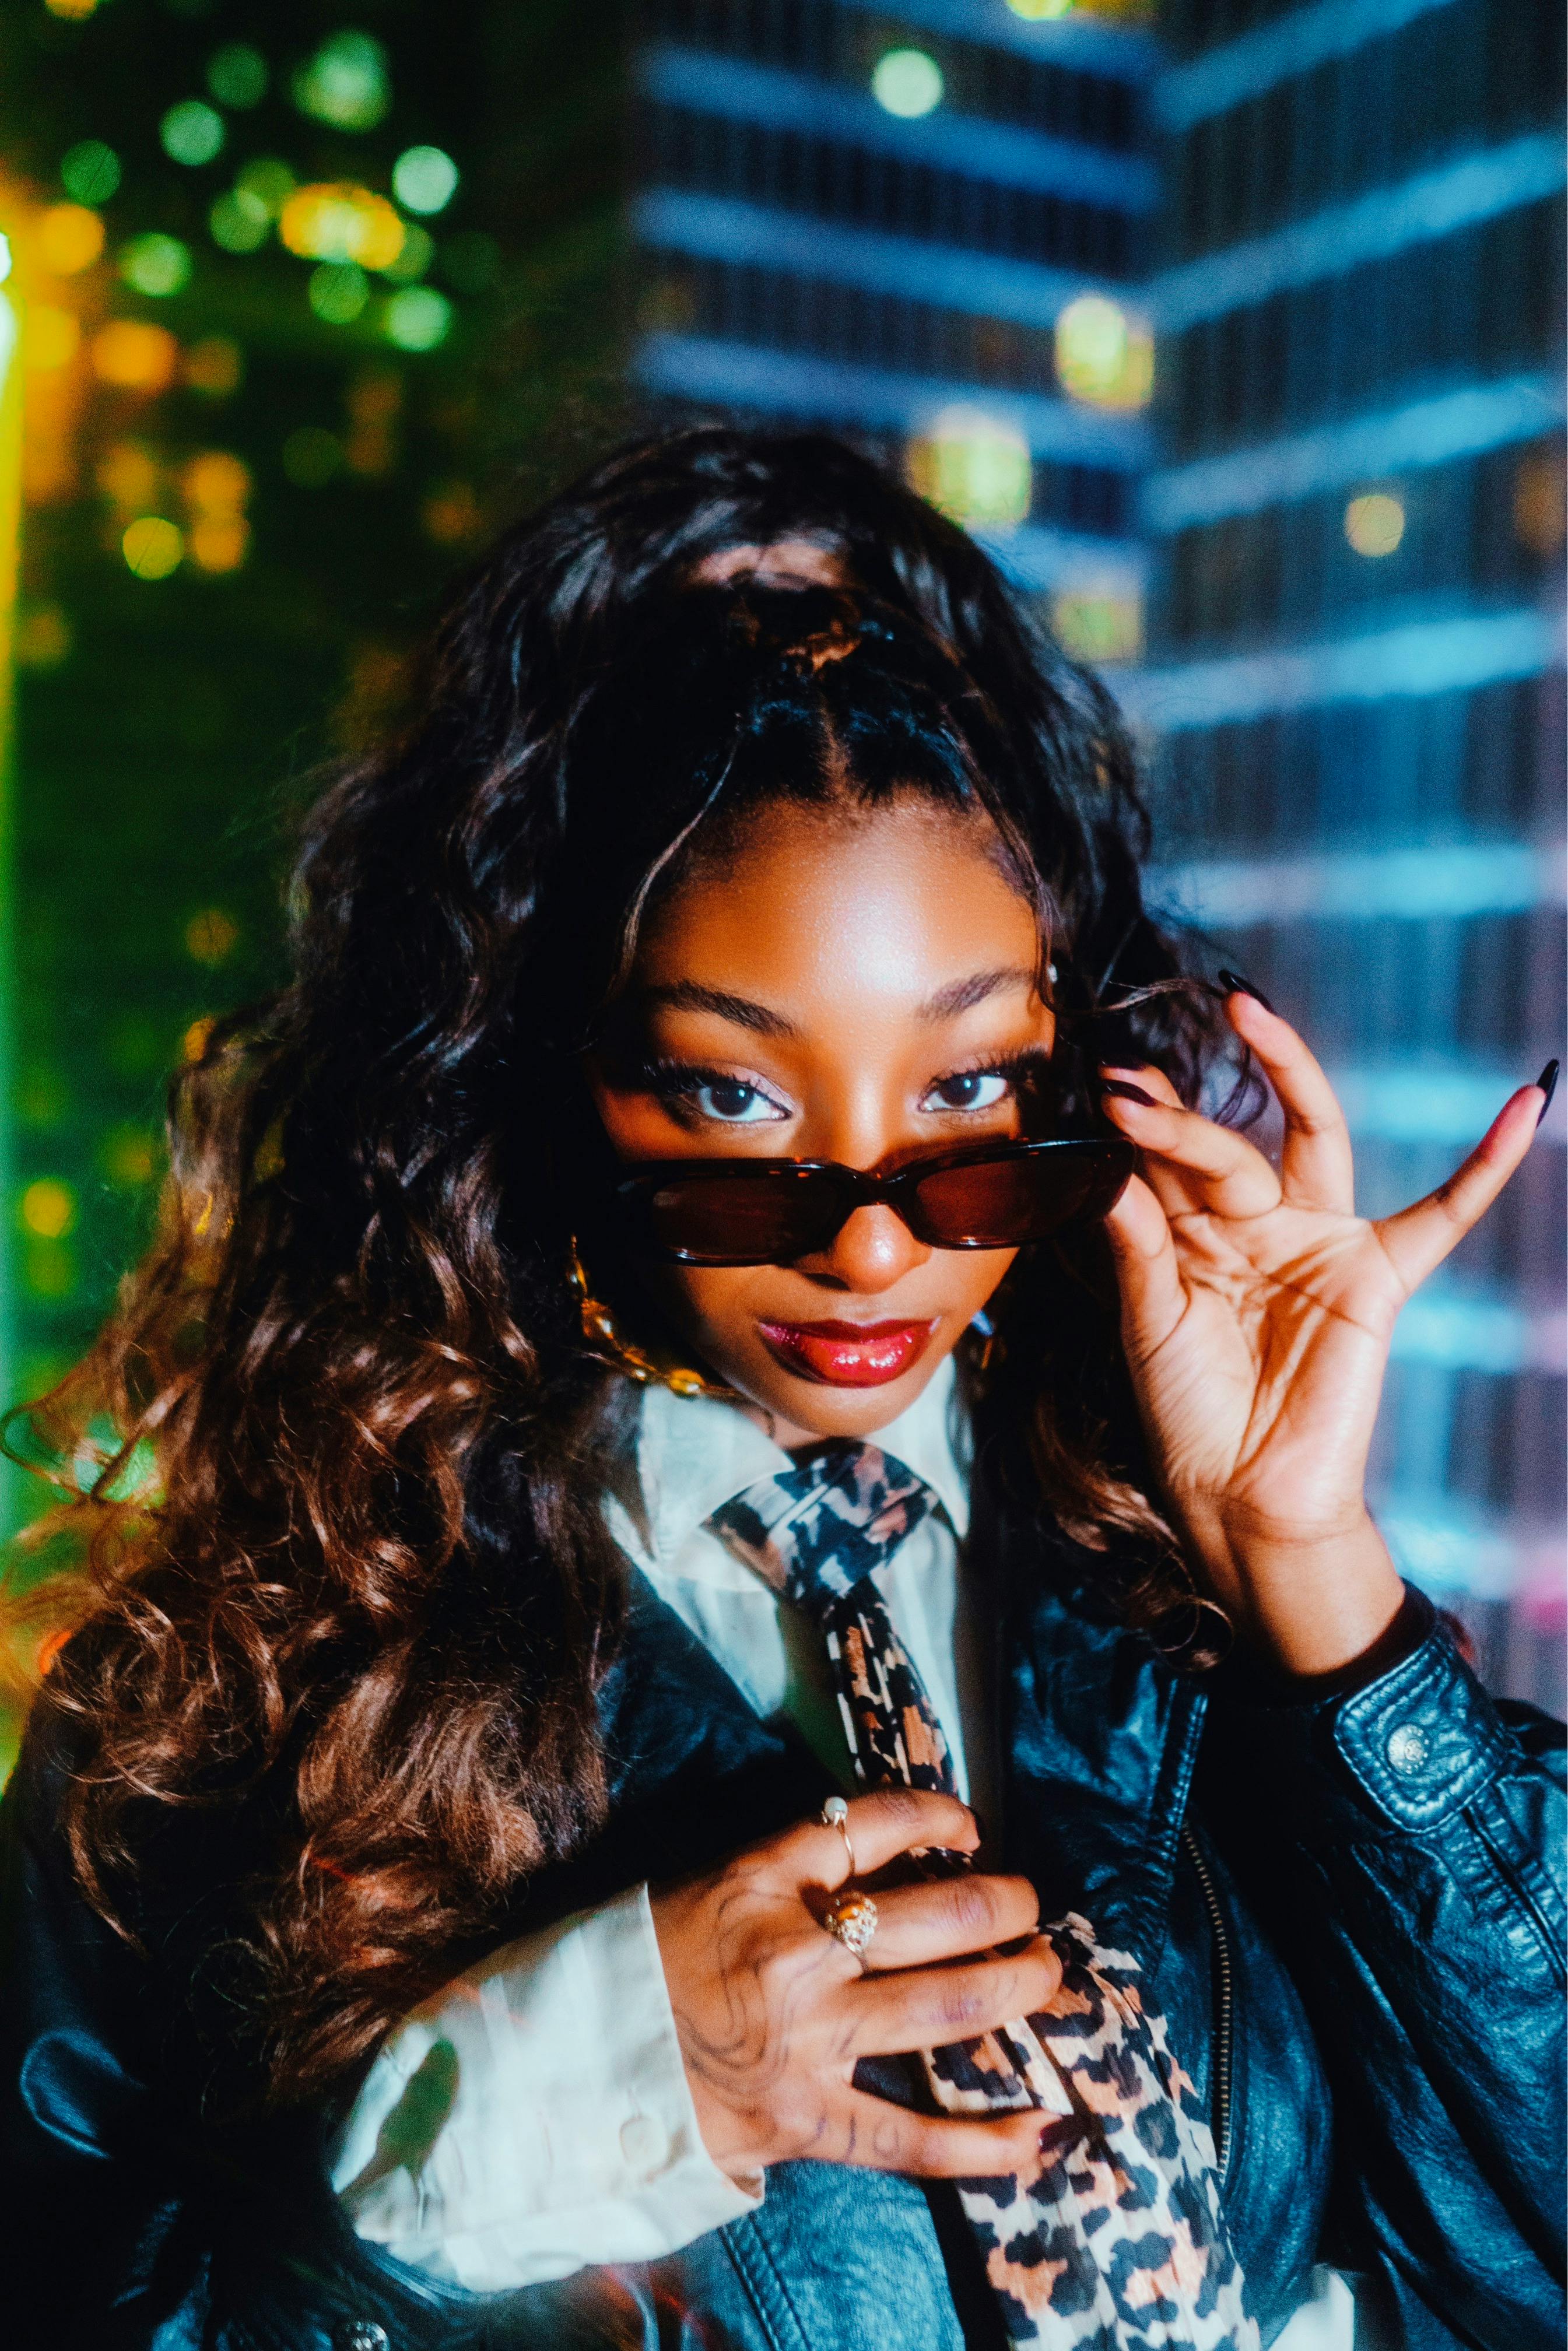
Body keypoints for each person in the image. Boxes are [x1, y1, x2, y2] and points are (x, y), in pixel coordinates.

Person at [0, 427, 1561, 2351]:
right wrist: (557, 2101)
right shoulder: (235, 1691)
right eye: (733, 1098)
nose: (874, 1248)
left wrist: (1307, 1568)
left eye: (968, 1092)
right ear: (537, 1026)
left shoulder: (1186, 1584)